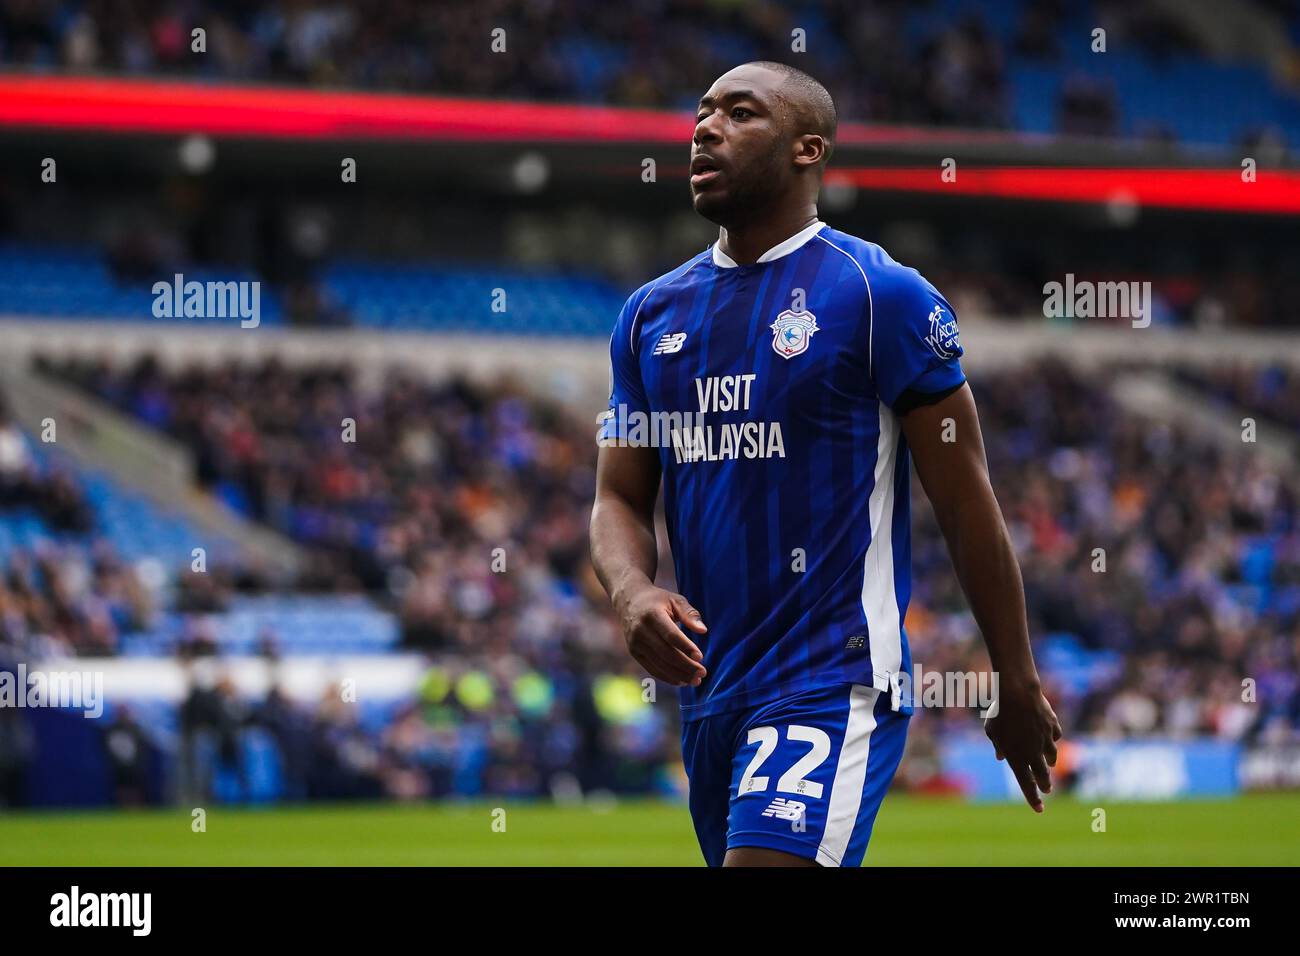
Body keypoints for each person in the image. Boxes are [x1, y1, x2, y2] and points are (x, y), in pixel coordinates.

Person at [589, 61, 1062, 867]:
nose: (704, 129)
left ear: (810, 150)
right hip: (709, 691)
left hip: (831, 676)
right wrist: (631, 592)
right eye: (701, 112)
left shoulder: (880, 296)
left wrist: (1013, 677)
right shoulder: (648, 316)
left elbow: (965, 498)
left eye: (740, 114)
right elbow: (618, 497)